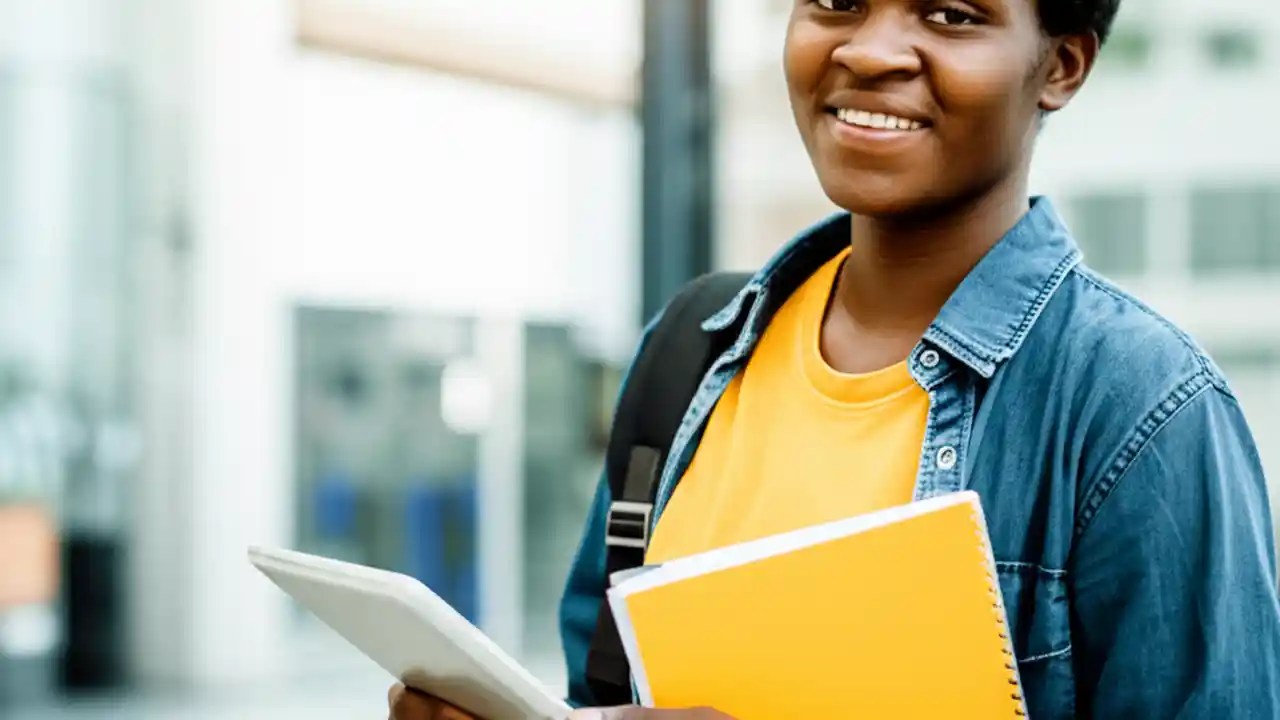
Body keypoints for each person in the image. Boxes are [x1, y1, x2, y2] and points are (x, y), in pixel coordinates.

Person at [391, 0, 1280, 717]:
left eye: (950, 16)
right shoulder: (690, 349)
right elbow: (604, 693)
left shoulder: (1141, 406)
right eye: (837, 1)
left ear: (1060, 66)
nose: (870, 49)